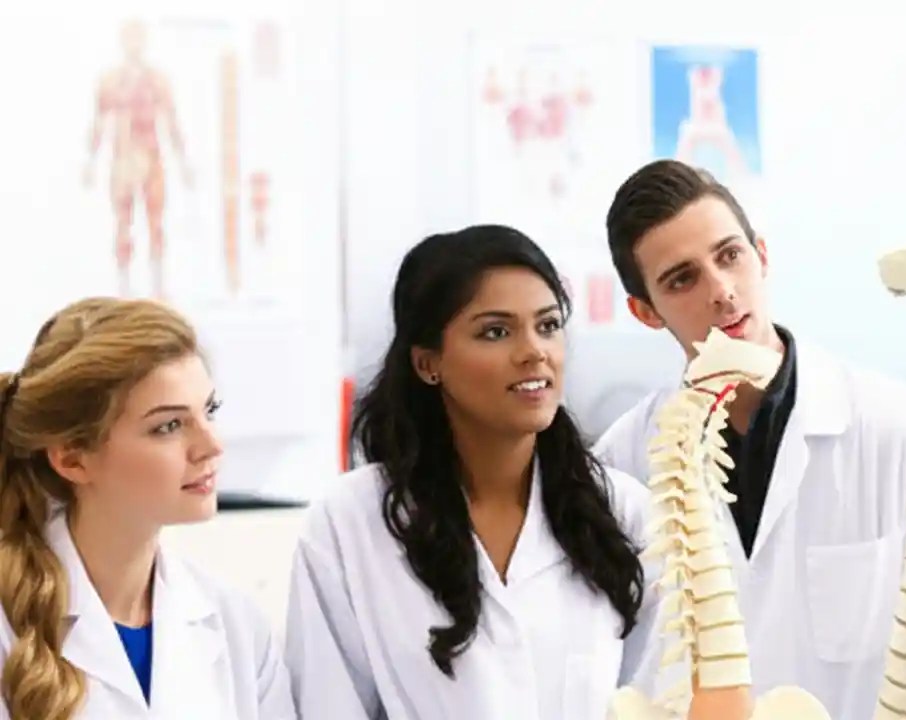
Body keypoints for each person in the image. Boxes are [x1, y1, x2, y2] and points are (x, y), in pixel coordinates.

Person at [593, 159, 906, 719]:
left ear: (761, 254)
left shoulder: (895, 426)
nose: (721, 291)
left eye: (730, 255)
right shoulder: (622, 464)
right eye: (682, 279)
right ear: (645, 312)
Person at [285, 225, 655, 719]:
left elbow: (656, 699)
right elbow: (326, 707)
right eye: (495, 332)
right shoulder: (349, 522)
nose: (533, 351)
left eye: (547, 325)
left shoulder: (624, 513)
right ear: (427, 362)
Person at [0, 298, 294, 719]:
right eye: (169, 426)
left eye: (209, 411)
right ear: (72, 457)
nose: (212, 445)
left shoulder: (237, 627)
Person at [83, 19, 193, 300]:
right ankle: (124, 288)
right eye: (130, 38)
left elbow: (171, 120)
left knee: (156, 222)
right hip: (123, 158)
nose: (135, 44)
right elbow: (99, 122)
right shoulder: (110, 81)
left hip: (151, 155)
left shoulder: (157, 79)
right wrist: (91, 162)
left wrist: (183, 163)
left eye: (138, 38)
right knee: (123, 222)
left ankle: (158, 287)